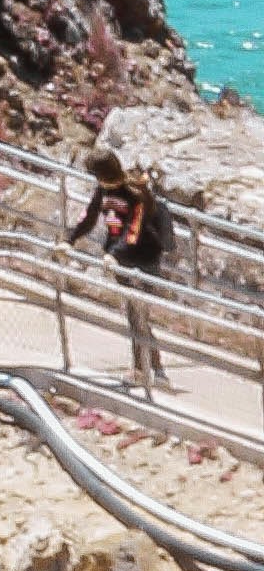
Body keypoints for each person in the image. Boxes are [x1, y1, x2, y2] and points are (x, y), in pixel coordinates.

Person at [74, 140, 176, 388]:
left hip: (144, 259)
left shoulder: (135, 194)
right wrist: (69, 239)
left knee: (137, 314)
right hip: (120, 261)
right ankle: (152, 369)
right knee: (135, 315)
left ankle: (146, 371)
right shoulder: (103, 190)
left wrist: (114, 254)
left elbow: (134, 229)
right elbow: (89, 217)